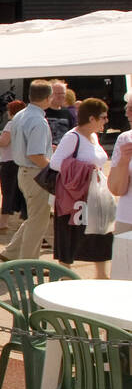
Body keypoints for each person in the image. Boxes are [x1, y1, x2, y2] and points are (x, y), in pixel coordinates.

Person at [49, 97, 112, 278]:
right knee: (70, 236)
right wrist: (86, 170)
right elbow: (56, 163)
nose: (106, 121)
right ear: (91, 118)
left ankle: (101, 276)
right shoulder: (72, 137)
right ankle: (66, 276)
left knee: (100, 233)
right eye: (103, 117)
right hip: (74, 197)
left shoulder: (93, 136)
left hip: (94, 194)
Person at [0, 79, 57, 262]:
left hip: (23, 171)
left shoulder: (21, 115)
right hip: (35, 173)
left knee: (34, 217)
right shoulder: (38, 120)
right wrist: (54, 170)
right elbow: (35, 155)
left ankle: (12, 252)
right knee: (38, 221)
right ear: (48, 98)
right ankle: (28, 262)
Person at [0, 98, 28, 233]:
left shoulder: (11, 124)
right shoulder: (25, 124)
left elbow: (3, 142)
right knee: (22, 193)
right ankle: (25, 221)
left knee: (7, 192)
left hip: (8, 162)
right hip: (20, 161)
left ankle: (3, 222)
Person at [107, 92, 132, 235]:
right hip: (127, 218)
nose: (127, 114)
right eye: (126, 108)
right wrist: (124, 161)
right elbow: (116, 189)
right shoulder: (125, 139)